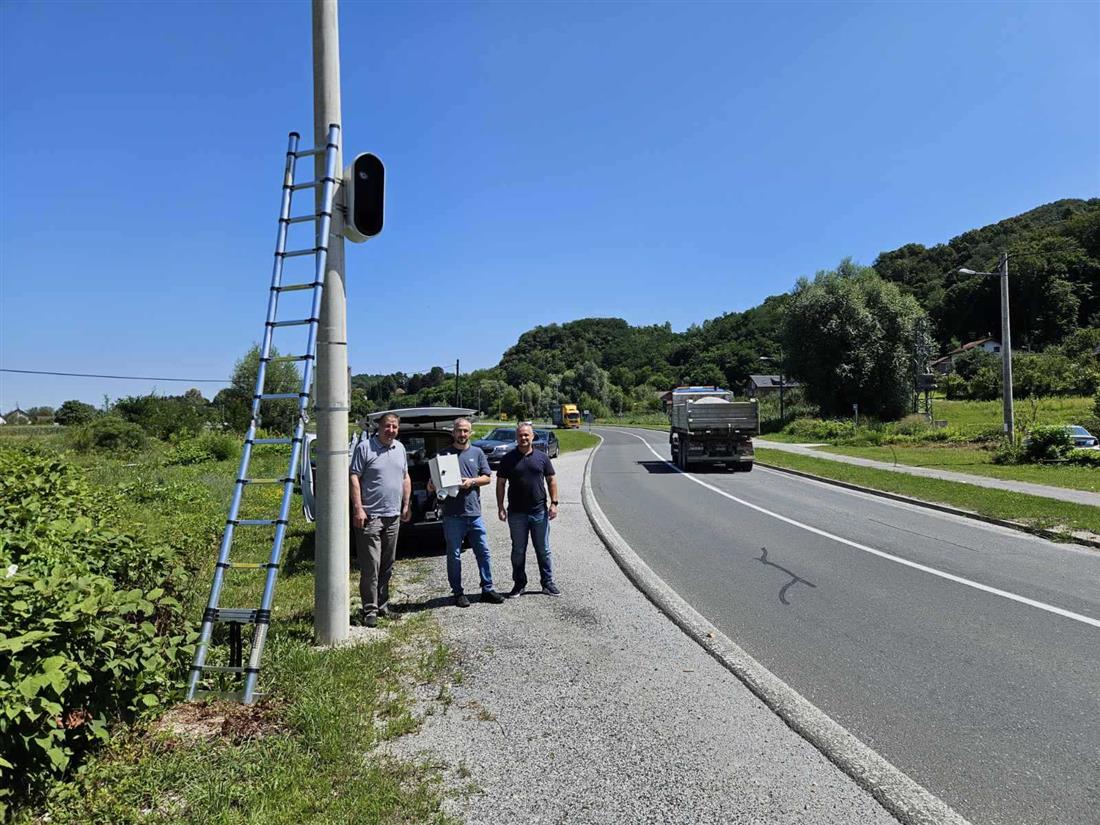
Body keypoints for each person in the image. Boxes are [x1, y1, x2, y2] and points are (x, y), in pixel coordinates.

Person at [429, 418, 504, 608]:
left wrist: (472, 481)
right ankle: (458, 593)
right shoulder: (443, 454)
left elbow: (487, 477)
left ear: (470, 433)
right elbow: (432, 484)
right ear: (453, 432)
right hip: (452, 515)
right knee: (454, 555)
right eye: (459, 430)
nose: (462, 434)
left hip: (474, 513)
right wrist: (434, 484)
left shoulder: (477, 453)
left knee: (483, 552)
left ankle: (487, 589)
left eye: (465, 431)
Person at [349, 412, 410, 627]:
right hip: (370, 516)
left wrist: (406, 505)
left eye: (394, 426)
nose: (391, 430)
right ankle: (370, 609)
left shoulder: (400, 448)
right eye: (387, 426)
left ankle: (383, 605)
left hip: (393, 516)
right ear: (379, 427)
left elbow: (405, 477)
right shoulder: (365, 448)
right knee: (371, 566)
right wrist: (358, 508)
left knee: (387, 564)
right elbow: (354, 477)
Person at [496, 422, 561, 597]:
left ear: (532, 437)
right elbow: (500, 483)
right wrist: (500, 507)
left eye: (526, 435)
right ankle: (519, 584)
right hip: (516, 513)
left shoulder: (542, 457)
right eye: (520, 435)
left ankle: (547, 583)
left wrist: (554, 503)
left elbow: (551, 480)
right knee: (518, 551)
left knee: (543, 550)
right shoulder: (508, 458)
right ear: (516, 438)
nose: (523, 438)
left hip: (539, 512)